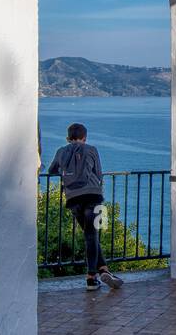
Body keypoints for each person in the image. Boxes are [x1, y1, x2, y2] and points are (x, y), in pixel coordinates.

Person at [47, 123, 123, 291]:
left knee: (90, 236)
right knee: (92, 235)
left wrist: (65, 172)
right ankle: (91, 277)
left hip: (73, 199)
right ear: (85, 138)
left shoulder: (61, 151)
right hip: (94, 197)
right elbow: (98, 173)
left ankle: (103, 270)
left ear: (68, 138)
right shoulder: (91, 149)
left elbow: (52, 170)